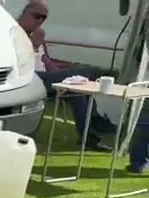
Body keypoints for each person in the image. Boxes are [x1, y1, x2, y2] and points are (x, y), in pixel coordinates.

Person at [18, 0, 117, 151]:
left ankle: (89, 137)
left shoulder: (36, 34)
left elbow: (46, 60)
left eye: (43, 18)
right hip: (30, 78)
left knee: (80, 91)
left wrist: (63, 75)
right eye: (36, 16)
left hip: (46, 78)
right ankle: (98, 123)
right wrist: (31, 44)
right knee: (86, 71)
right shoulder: (15, 32)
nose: (39, 21)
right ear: (24, 13)